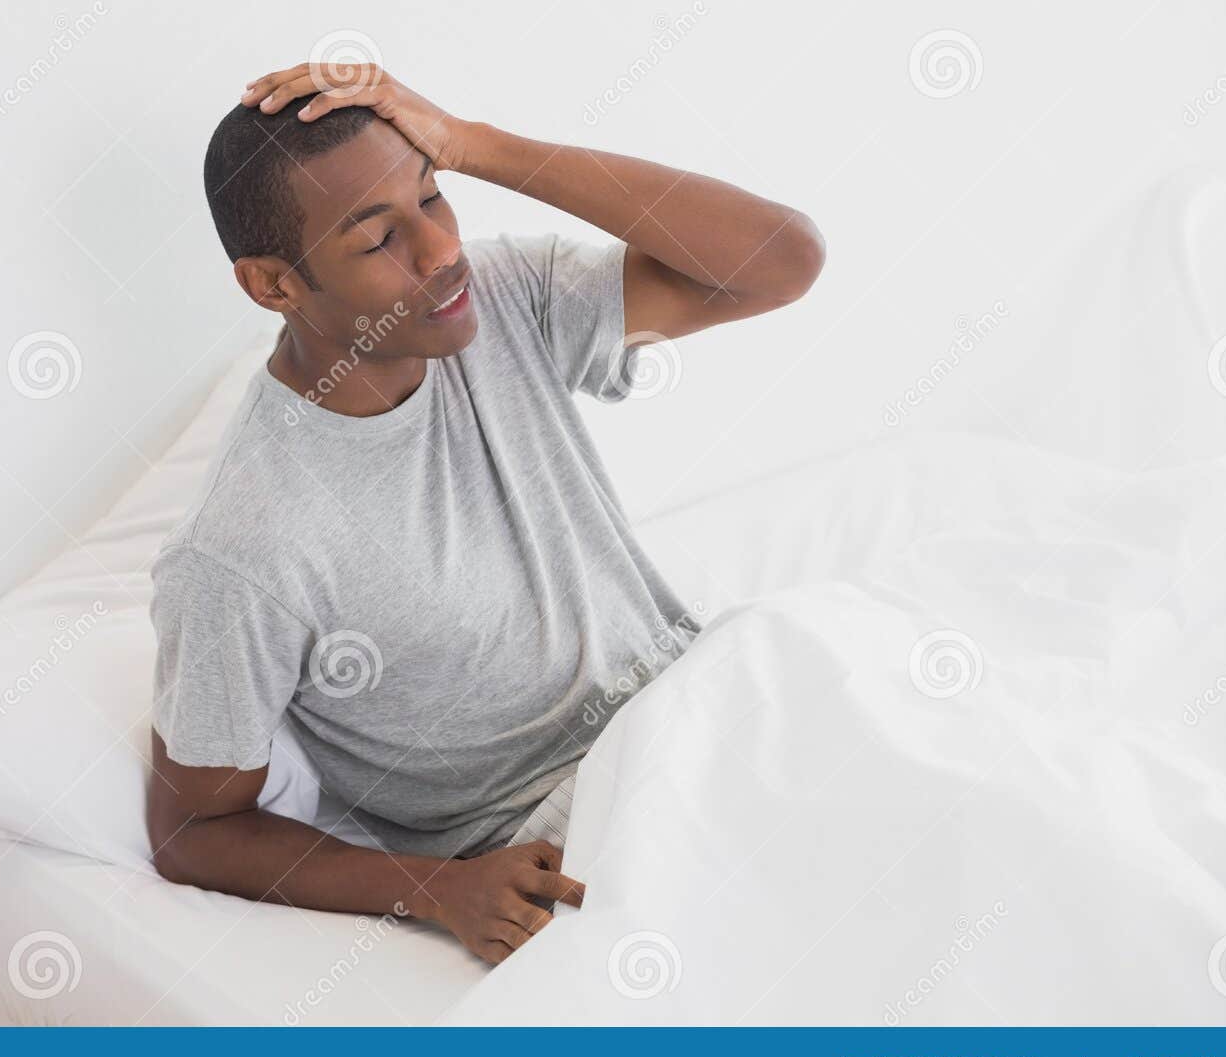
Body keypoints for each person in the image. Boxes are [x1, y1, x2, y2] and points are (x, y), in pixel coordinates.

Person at [146, 62, 826, 966]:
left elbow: (781, 261)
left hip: (711, 707)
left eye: (433, 196)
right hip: (581, 829)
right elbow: (193, 829)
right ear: (275, 285)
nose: (439, 252)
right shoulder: (244, 550)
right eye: (379, 236)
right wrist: (436, 888)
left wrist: (474, 143)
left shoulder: (497, 302)